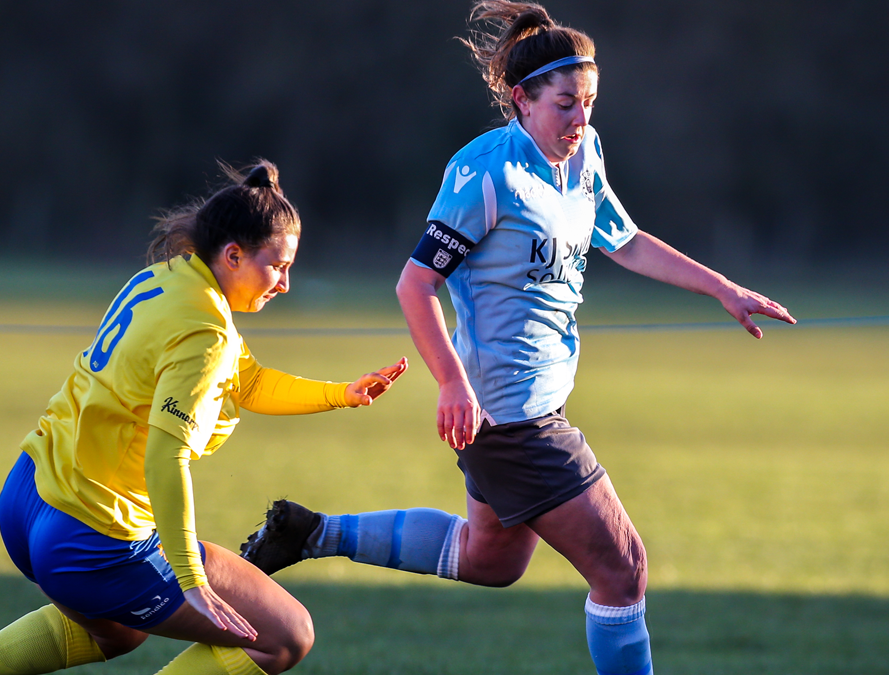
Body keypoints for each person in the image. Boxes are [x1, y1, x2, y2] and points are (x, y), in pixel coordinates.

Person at [239, 3, 797, 675]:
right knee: (623, 571)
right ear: (521, 100)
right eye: (565, 104)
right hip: (511, 416)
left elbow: (627, 241)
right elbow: (414, 285)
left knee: (490, 558)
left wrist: (724, 289)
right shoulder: (486, 174)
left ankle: (312, 530)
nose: (580, 119)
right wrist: (451, 381)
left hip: (535, 405)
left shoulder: (583, 155)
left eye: (589, 103)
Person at [0, 159, 408, 675]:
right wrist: (190, 578)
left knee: (118, 632)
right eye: (278, 266)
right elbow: (166, 454)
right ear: (233, 254)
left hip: (28, 497)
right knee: (288, 635)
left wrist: (342, 393)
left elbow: (248, 381)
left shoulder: (164, 281)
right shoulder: (206, 331)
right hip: (91, 537)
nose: (286, 284)